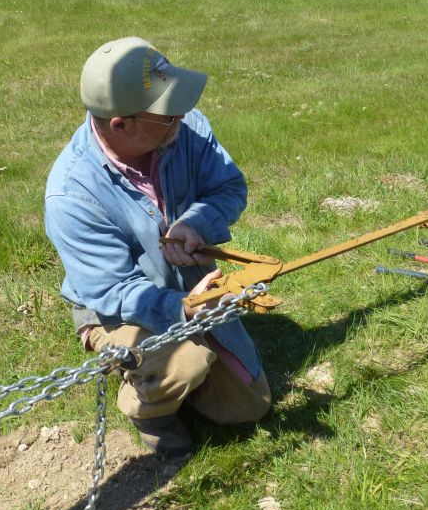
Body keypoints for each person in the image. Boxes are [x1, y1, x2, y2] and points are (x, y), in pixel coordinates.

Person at [44, 37, 271, 458]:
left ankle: (174, 365)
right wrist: (183, 309)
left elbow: (228, 187)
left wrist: (196, 222)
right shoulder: (71, 195)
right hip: (118, 302)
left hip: (187, 281)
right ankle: (146, 405)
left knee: (247, 408)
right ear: (121, 124)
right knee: (184, 365)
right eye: (167, 114)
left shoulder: (185, 127)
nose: (182, 117)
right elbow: (111, 289)